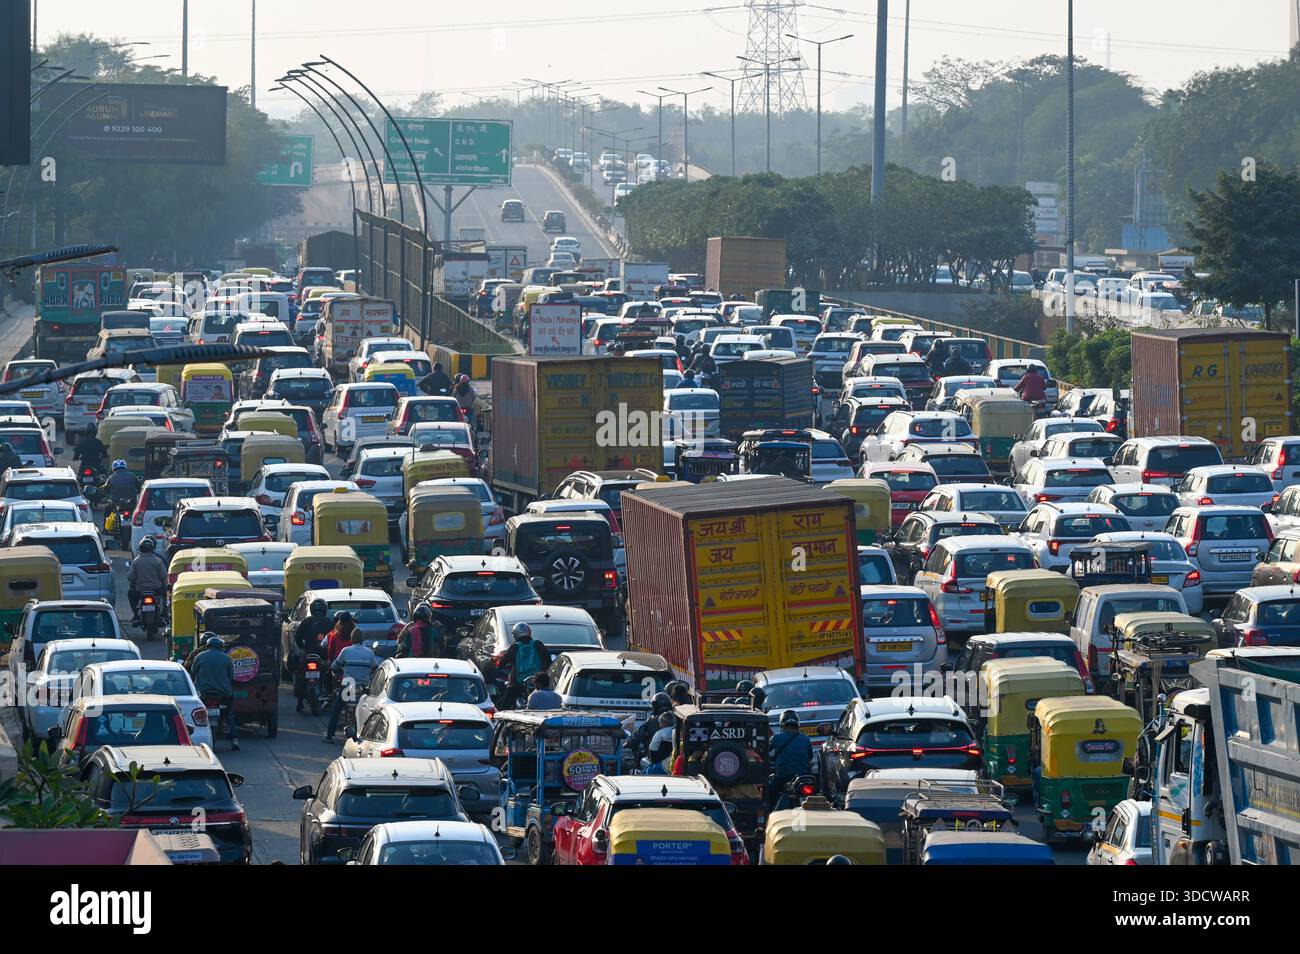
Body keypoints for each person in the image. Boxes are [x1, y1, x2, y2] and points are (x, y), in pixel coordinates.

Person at [323, 627, 378, 742]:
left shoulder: (346, 651)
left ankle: (329, 735)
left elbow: (335, 666)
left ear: (352, 639)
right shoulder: (369, 652)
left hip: (348, 686)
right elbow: (375, 668)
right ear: (363, 639)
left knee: (336, 709)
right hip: (363, 688)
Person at [190, 634, 239, 750]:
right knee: (228, 714)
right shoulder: (226, 658)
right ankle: (235, 740)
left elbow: (192, 674)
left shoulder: (199, 656)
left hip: (202, 693)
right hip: (223, 694)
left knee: (196, 712)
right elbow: (231, 677)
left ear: (207, 646)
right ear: (220, 647)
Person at [496, 622, 550, 710]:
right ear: (529, 632)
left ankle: (499, 721)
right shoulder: (538, 644)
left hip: (517, 684)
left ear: (515, 634)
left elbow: (501, 663)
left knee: (502, 707)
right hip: (539, 682)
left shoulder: (514, 647)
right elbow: (548, 661)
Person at [767, 709, 813, 811]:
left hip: (782, 776)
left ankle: (768, 816)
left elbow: (766, 752)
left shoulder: (776, 738)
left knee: (768, 795)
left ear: (782, 722)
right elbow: (810, 756)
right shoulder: (805, 738)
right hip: (803, 777)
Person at [292, 599, 332, 712]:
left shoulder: (306, 621)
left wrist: (303, 649)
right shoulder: (329, 622)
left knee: (299, 673)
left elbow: (297, 638)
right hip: (323, 656)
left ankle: (300, 702)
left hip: (308, 655)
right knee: (330, 674)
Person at [125, 537, 166, 624]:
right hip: (156, 589)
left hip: (140, 589)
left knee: (130, 594)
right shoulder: (158, 561)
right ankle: (164, 614)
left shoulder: (136, 561)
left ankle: (136, 614)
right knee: (165, 596)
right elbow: (163, 575)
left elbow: (130, 577)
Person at [630, 692, 673, 761]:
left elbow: (637, 736)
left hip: (657, 759)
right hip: (674, 759)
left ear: (655, 706)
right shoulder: (678, 719)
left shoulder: (651, 722)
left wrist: (630, 741)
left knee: (644, 764)